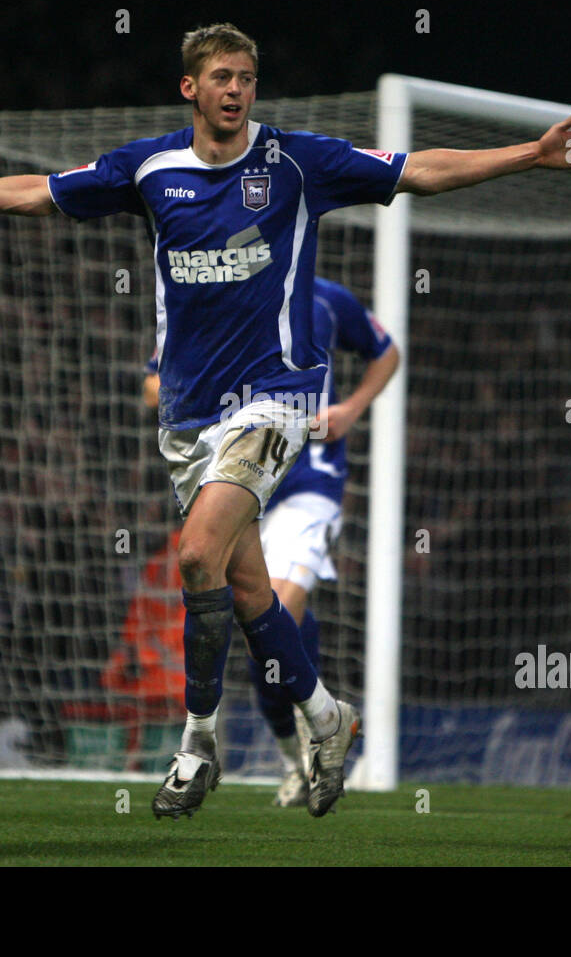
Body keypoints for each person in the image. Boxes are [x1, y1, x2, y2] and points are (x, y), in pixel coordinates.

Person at [0, 22, 571, 818]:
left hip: (276, 397)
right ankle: (326, 717)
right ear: (191, 87)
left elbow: (418, 169)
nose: (236, 89)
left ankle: (196, 747)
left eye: (247, 77)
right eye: (222, 76)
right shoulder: (149, 168)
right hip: (189, 418)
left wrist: (527, 154)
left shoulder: (296, 162)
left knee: (194, 557)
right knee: (249, 592)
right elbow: (40, 192)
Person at [144, 276, 400, 805]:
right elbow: (153, 379)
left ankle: (211, 741)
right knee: (254, 607)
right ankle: (308, 741)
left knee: (276, 600)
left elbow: (386, 352)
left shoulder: (327, 298)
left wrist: (350, 410)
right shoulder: (214, 283)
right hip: (232, 468)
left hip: (308, 480)